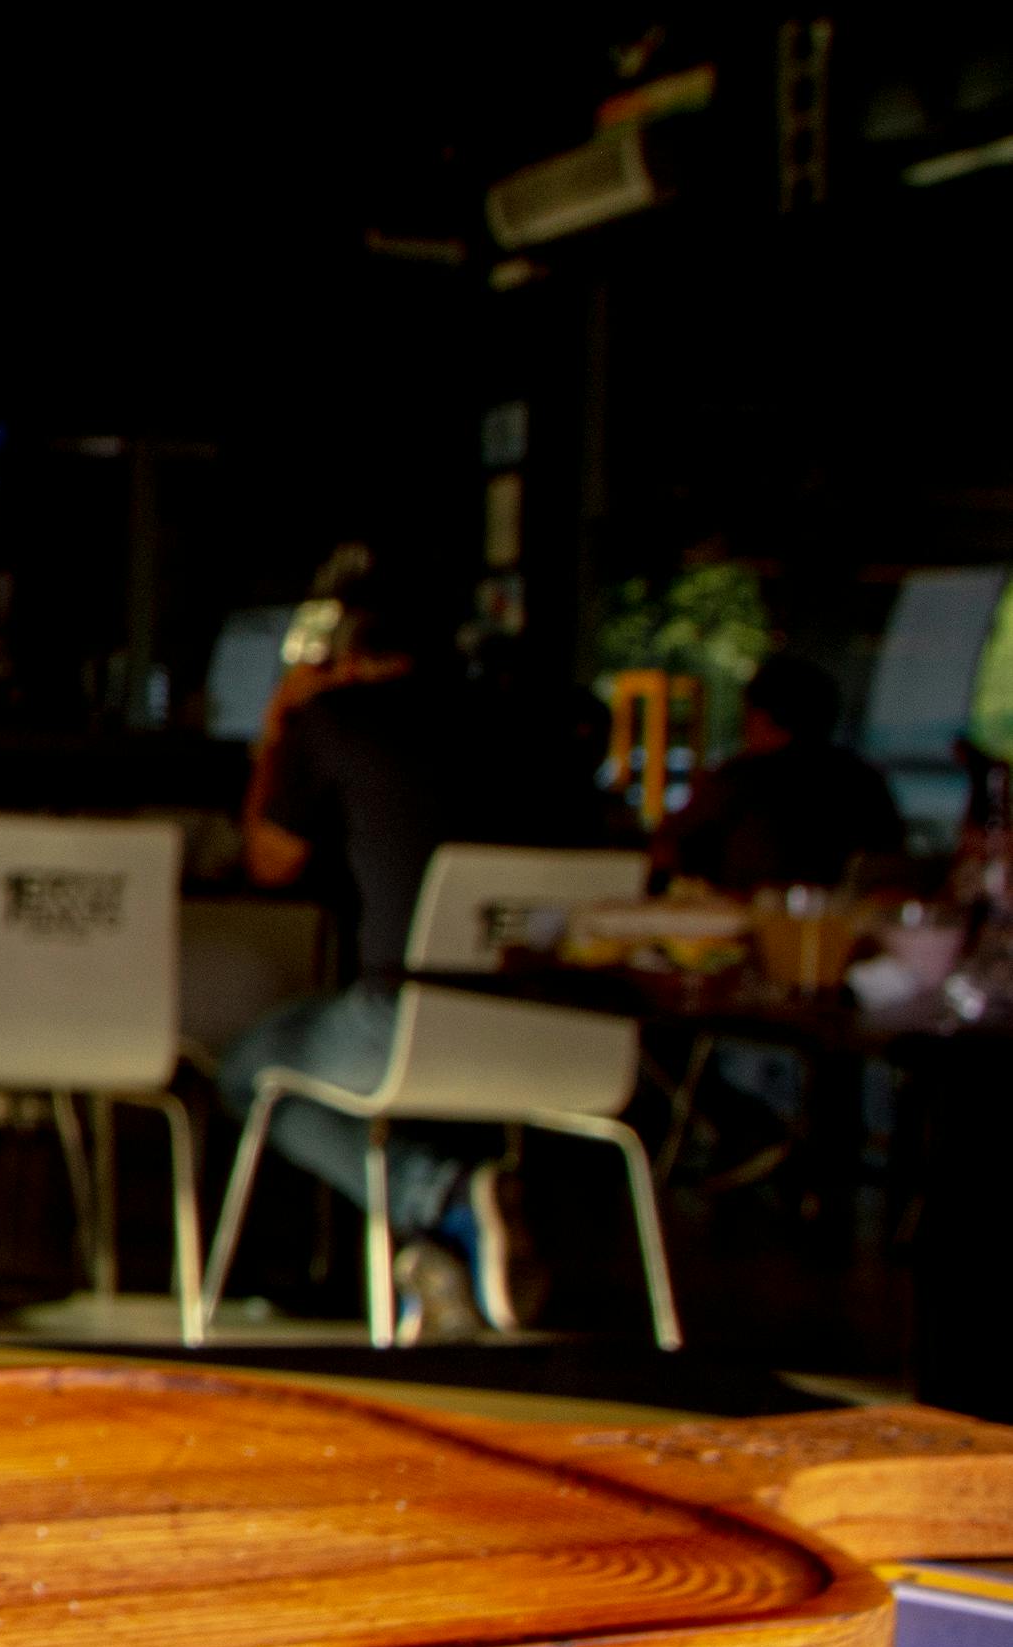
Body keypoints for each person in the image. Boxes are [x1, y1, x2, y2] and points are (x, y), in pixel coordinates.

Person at [220, 549, 604, 1342]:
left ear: (348, 641)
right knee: (385, 1079)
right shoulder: (530, 725)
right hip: (575, 1033)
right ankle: (439, 1270)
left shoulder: (336, 722)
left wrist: (278, 726)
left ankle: (441, 1196)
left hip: (412, 1021)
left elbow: (269, 861)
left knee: (254, 1071)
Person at [660, 653, 908, 892]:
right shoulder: (864, 782)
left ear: (760, 717)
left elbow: (669, 851)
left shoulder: (736, 782)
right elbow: (891, 863)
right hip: (845, 923)